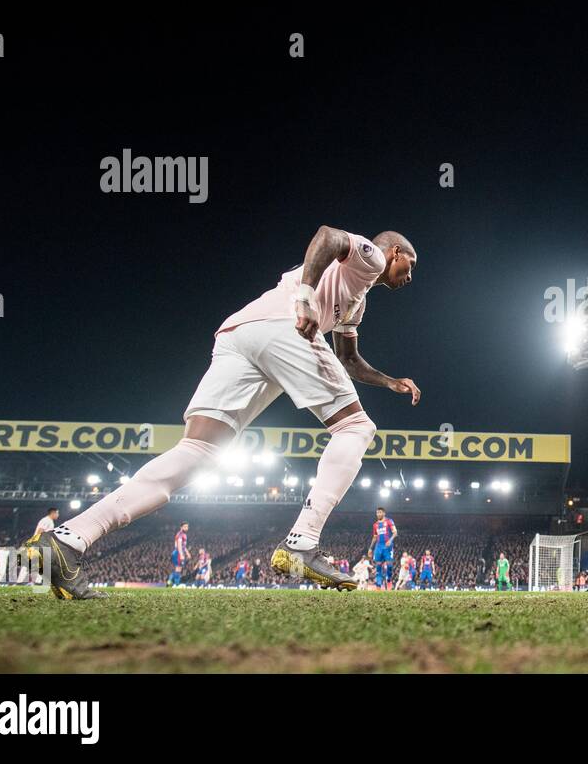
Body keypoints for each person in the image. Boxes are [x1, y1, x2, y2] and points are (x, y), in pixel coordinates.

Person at [23, 226, 421, 599]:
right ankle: (303, 542)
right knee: (355, 427)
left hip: (240, 334)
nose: (410, 275)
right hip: (284, 325)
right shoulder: (369, 257)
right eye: (411, 265)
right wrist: (303, 297)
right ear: (395, 252)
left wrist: (389, 382)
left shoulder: (357, 300)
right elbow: (328, 236)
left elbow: (348, 360)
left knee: (196, 451)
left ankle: (66, 541)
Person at [370, 507, 397, 589]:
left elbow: (395, 532)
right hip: (378, 546)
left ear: (384, 513)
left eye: (380, 512)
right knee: (378, 566)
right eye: (377, 513)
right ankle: (378, 586)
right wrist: (370, 548)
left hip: (387, 546)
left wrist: (390, 540)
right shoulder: (375, 525)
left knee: (389, 565)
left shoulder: (389, 521)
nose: (378, 514)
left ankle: (389, 580)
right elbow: (374, 537)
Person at [169, 522, 190, 587]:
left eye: (187, 526)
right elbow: (179, 544)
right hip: (178, 552)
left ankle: (170, 582)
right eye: (185, 526)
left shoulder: (183, 534)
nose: (186, 528)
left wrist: (187, 552)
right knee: (178, 569)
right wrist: (181, 554)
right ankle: (176, 584)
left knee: (178, 569)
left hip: (178, 552)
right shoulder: (180, 534)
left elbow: (183, 545)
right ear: (181, 527)